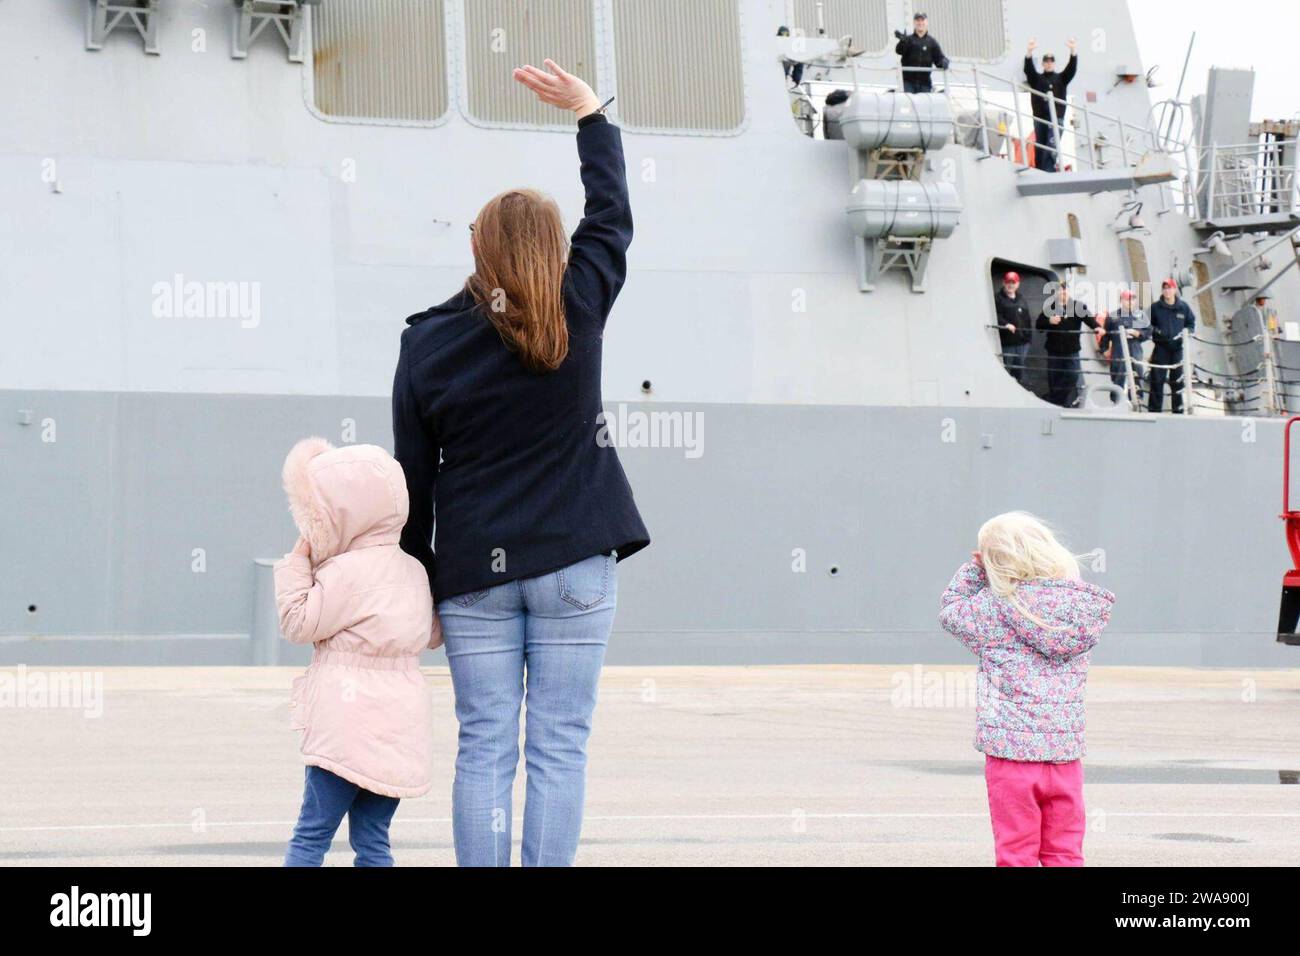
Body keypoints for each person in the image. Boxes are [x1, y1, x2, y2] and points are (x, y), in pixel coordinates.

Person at [392, 60, 650, 867]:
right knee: (560, 751)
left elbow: (413, 480)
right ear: (556, 249)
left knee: (485, 750)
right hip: (575, 562)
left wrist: (419, 579)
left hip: (475, 575)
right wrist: (590, 115)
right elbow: (612, 217)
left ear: (475, 246)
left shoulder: (426, 342)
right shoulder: (579, 306)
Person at [275, 439, 439, 867]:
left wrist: (297, 564)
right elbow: (433, 633)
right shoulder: (415, 571)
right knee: (373, 840)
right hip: (399, 732)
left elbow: (298, 622)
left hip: (344, 733)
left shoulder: (344, 574)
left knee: (311, 836)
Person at [939, 512, 1115, 866]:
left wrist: (975, 570)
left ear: (993, 560)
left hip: (1011, 760)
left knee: (1016, 852)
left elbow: (951, 610)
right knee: (1064, 852)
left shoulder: (994, 608)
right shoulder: (1078, 608)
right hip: (1064, 757)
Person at [1036, 283, 1100, 407]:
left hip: (1071, 350)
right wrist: (1049, 321)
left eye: (1065, 291)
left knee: (1073, 375)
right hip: (1054, 350)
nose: (1063, 293)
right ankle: (1059, 404)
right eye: (1060, 291)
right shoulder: (1050, 308)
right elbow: (1039, 325)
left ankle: (1055, 401)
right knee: (1054, 379)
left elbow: (1090, 320)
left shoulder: (1078, 307)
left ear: (1069, 292)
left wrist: (1098, 328)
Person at [1024, 38, 1077, 172]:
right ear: (1042, 64)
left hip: (1056, 119)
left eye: (1051, 61)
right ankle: (1040, 170)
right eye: (1046, 62)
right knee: (1041, 146)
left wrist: (1073, 51)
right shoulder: (1037, 80)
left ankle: (1048, 172)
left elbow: (1071, 69)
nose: (1048, 64)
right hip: (1040, 118)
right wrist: (1029, 51)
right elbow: (1028, 70)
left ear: (1053, 63)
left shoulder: (1061, 79)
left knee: (1051, 144)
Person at [1148, 277, 1196, 413]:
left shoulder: (1184, 308)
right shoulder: (1155, 308)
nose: (1167, 291)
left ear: (1174, 290)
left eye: (1169, 288)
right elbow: (1148, 324)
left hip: (1177, 350)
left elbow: (1191, 323)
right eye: (1164, 288)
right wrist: (1157, 332)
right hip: (1161, 349)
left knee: (1178, 382)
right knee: (1157, 381)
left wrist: (1188, 332)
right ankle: (1154, 411)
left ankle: (1178, 411)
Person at [1101, 289, 1150, 398]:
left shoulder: (1140, 316)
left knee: (1136, 381)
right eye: (1127, 299)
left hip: (1135, 353)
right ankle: (1117, 405)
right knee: (1118, 382)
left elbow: (1149, 331)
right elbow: (1106, 335)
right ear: (1121, 300)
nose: (1130, 302)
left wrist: (1138, 333)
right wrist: (1104, 349)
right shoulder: (1113, 317)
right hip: (1119, 354)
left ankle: (1136, 406)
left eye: (1132, 299)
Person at [894, 13, 949, 94]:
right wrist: (902, 42)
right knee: (908, 104)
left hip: (925, 85)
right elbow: (899, 51)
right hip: (908, 84)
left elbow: (939, 59)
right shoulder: (908, 40)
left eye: (922, 20)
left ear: (926, 22)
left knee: (924, 105)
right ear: (914, 23)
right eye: (917, 20)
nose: (920, 23)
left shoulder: (932, 42)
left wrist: (944, 62)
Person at [994, 271, 1032, 383]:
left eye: (1013, 282)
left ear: (1018, 284)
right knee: (1005, 370)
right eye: (1008, 282)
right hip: (1007, 343)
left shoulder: (1021, 299)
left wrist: (1029, 339)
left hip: (1023, 342)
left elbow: (1027, 319)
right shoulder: (997, 299)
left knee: (1018, 370)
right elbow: (994, 314)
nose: (1010, 285)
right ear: (1003, 283)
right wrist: (1005, 324)